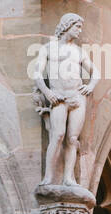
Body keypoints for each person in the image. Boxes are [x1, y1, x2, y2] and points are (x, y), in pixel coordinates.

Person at [31, 13, 96, 187]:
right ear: (67, 26)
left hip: (76, 97)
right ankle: (49, 177)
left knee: (72, 139)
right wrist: (47, 92)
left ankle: (68, 177)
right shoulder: (48, 48)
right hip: (58, 98)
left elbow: (95, 73)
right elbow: (37, 73)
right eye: (77, 27)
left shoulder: (78, 52)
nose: (79, 31)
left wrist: (90, 86)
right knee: (57, 135)